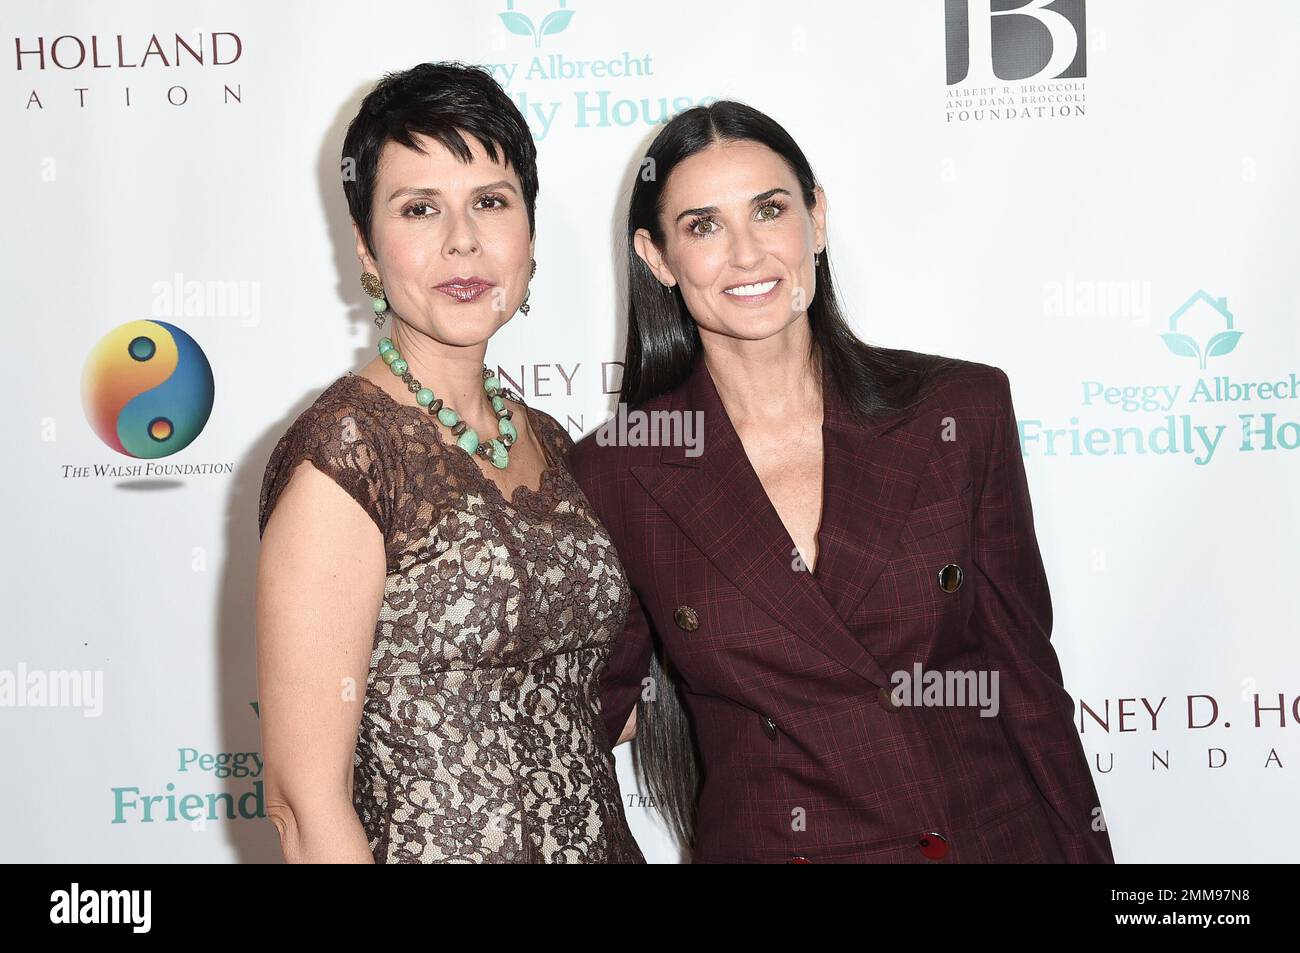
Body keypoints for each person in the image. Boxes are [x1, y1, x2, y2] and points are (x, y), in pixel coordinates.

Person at [566, 100, 1114, 863]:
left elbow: (1025, 681)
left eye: (769, 210)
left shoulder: (958, 411)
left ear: (816, 221)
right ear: (658, 259)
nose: (747, 253)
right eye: (703, 226)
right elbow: (581, 707)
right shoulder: (617, 469)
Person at [255, 61, 643, 863]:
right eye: (420, 208)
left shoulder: (555, 442)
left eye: (490, 203)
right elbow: (303, 804)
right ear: (366, 247)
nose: (462, 240)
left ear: (528, 239)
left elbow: (597, 698)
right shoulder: (346, 453)